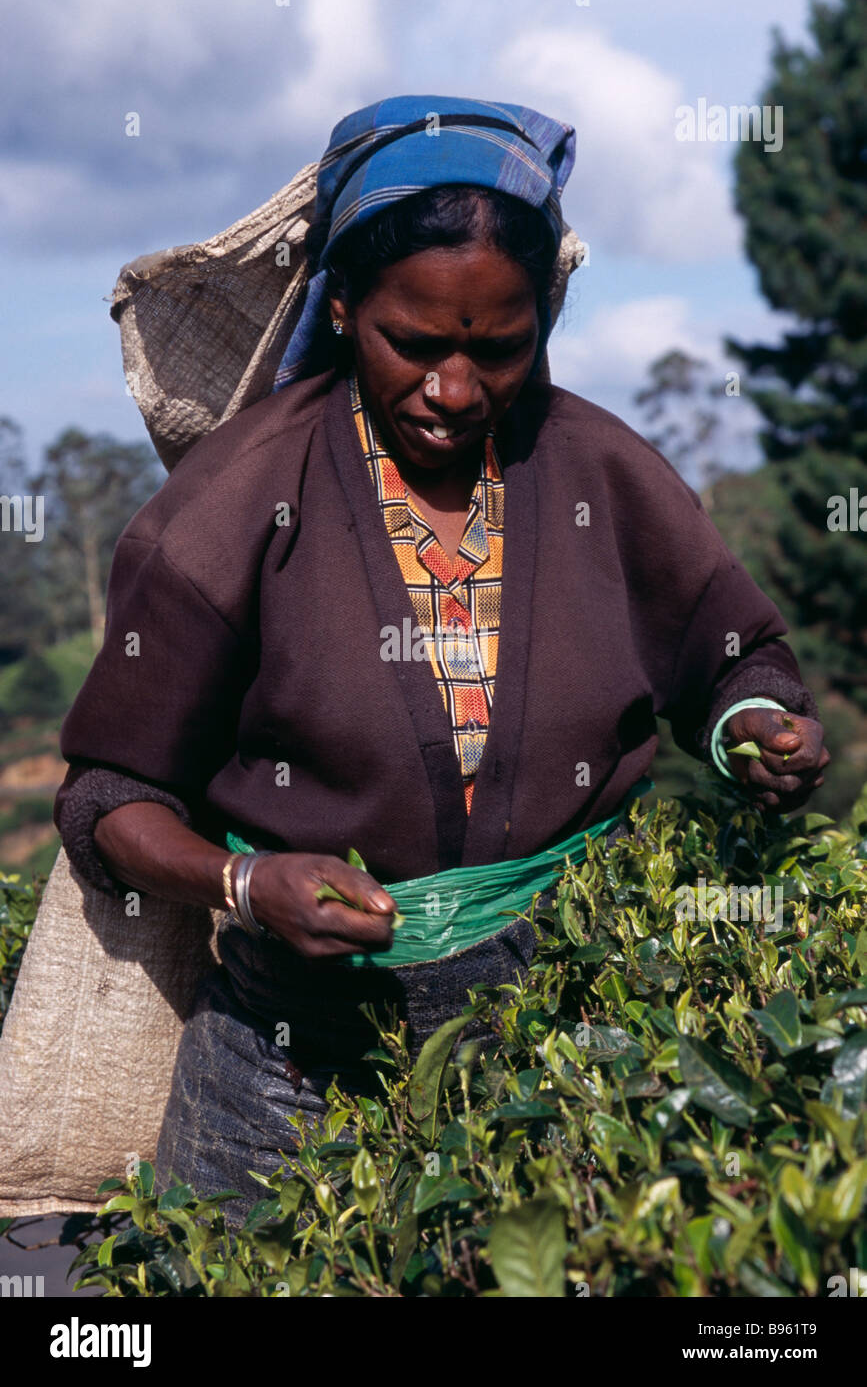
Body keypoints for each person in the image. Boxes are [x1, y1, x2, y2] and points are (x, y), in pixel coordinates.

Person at [53, 95, 830, 1223]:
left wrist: (753, 725)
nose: (455, 390)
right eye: (413, 344)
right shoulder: (227, 509)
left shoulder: (602, 476)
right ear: (343, 302)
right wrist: (246, 883)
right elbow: (111, 794)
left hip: (570, 1044)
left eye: (498, 349)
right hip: (286, 1077)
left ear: (543, 322)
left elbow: (735, 656)